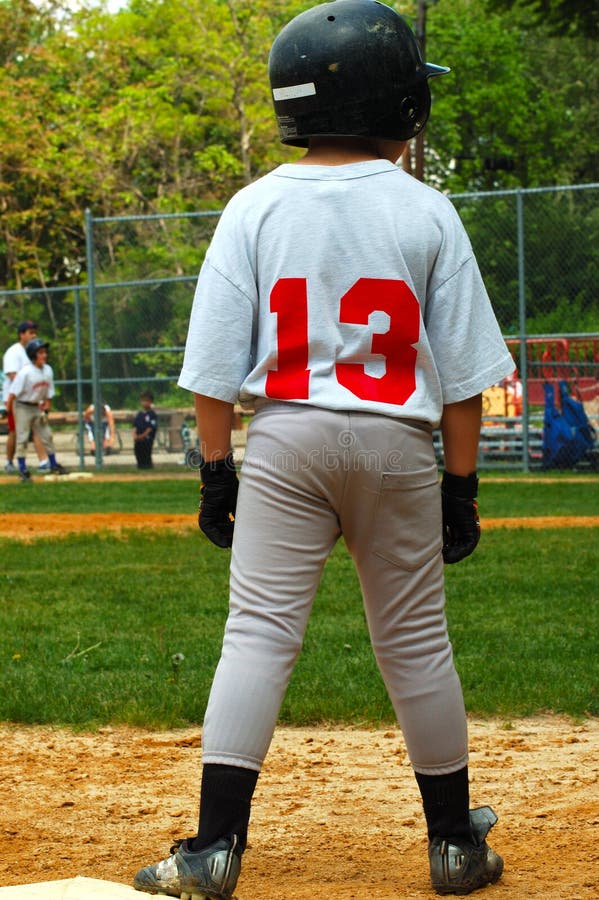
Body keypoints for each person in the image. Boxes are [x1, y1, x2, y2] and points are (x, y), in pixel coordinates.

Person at [133, 2, 515, 897]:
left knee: (258, 638)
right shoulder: (428, 212)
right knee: (417, 643)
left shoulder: (254, 205)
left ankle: (214, 849)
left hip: (287, 440)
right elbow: (462, 383)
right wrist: (459, 490)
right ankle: (454, 844)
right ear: (396, 101)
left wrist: (215, 471)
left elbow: (213, 367)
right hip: (395, 444)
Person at [6, 338, 67, 481]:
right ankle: (23, 470)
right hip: (22, 406)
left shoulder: (48, 370)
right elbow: (13, 393)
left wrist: (47, 407)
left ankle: (53, 465)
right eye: (40, 353)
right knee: (22, 438)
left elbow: (49, 392)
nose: (44, 355)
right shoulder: (25, 372)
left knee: (47, 435)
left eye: (45, 352)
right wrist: (8, 411)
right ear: (33, 355)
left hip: (36, 407)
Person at [2, 321, 50, 472]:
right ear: (21, 334)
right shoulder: (13, 352)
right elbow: (12, 376)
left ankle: (44, 462)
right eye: (30, 332)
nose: (33, 335)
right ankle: (9, 462)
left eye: (34, 332)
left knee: (37, 428)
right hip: (15, 399)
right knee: (15, 432)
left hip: (32, 399)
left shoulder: (34, 351)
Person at [132, 391, 158, 469]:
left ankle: (148, 467)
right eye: (143, 401)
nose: (144, 403)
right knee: (138, 453)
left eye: (147, 401)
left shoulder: (152, 414)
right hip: (138, 439)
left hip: (147, 439)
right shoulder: (139, 414)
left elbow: (151, 427)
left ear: (151, 402)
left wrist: (143, 436)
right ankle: (140, 467)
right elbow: (134, 426)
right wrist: (135, 435)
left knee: (146, 453)